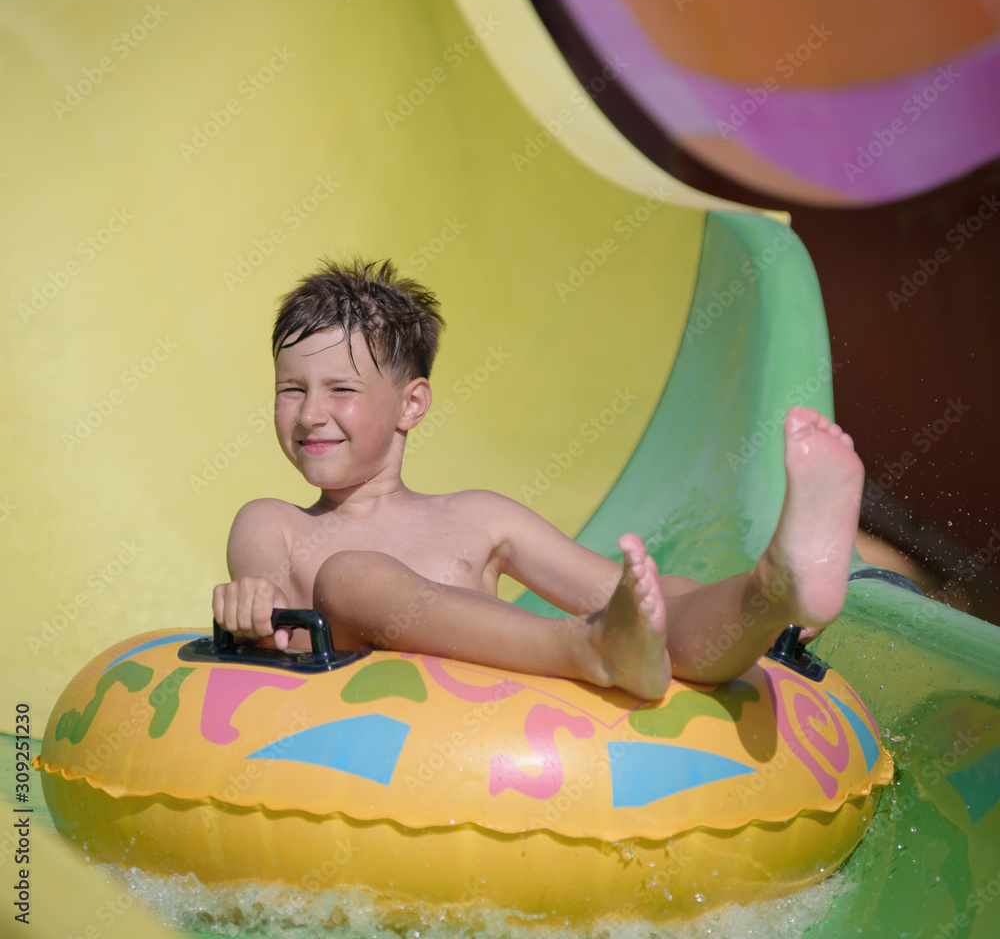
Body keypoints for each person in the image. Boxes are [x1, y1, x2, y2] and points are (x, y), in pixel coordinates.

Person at [212, 258, 864, 700]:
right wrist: (249, 605)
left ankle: (772, 593)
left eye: (341, 389)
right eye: (291, 389)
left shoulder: (477, 518)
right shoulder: (277, 524)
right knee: (350, 577)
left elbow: (619, 594)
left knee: (647, 596)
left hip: (492, 750)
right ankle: (582, 650)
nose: (311, 413)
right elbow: (263, 592)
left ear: (411, 404)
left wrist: (680, 614)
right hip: (352, 739)